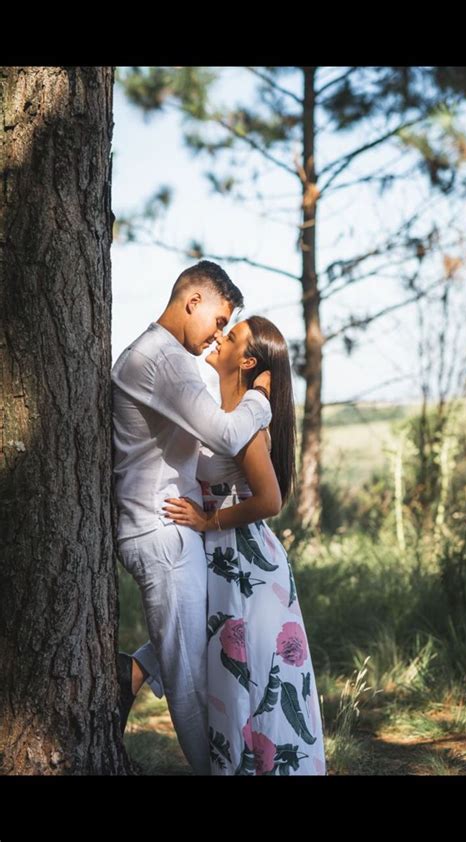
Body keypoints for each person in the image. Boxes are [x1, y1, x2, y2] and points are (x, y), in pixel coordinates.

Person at [111, 261, 271, 775]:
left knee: (205, 641)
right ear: (193, 300)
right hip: (160, 534)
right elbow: (224, 435)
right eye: (219, 320)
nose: (218, 335)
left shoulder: (158, 357)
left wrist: (255, 466)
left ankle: (132, 669)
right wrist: (262, 401)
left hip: (171, 529)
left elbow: (202, 459)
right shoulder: (166, 361)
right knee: (191, 683)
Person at [163, 316, 327, 775]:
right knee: (228, 673)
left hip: (246, 564)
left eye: (231, 336)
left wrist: (207, 519)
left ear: (248, 361)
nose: (219, 337)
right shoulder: (229, 417)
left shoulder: (247, 426)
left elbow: (271, 500)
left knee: (253, 681)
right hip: (226, 556)